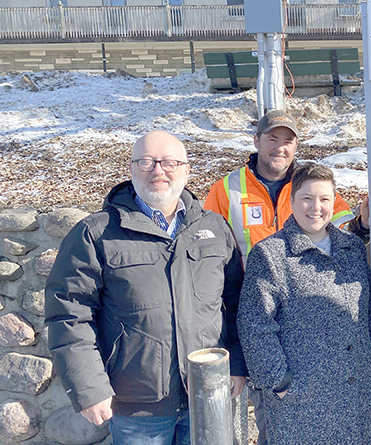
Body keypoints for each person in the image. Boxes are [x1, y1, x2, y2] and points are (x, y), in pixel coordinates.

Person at [45, 130, 246, 444]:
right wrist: (89, 389)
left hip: (208, 393)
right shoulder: (97, 233)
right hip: (137, 410)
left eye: (169, 162)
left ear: (186, 170)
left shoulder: (214, 228)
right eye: (147, 162)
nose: (158, 171)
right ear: (131, 168)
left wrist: (236, 364)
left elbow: (235, 304)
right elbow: (69, 314)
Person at [237, 162, 371, 444]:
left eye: (324, 199)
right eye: (306, 198)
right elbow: (255, 324)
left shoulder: (351, 247)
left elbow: (366, 309)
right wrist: (279, 381)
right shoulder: (271, 254)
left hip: (358, 395)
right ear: (292, 201)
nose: (315, 207)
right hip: (303, 403)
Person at [205, 109, 368, 267]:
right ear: (256, 141)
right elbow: (209, 250)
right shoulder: (225, 189)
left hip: (306, 288)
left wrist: (362, 223)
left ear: (296, 145)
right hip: (249, 290)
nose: (280, 148)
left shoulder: (313, 184)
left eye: (287, 141)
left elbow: (344, 231)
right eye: (272, 139)